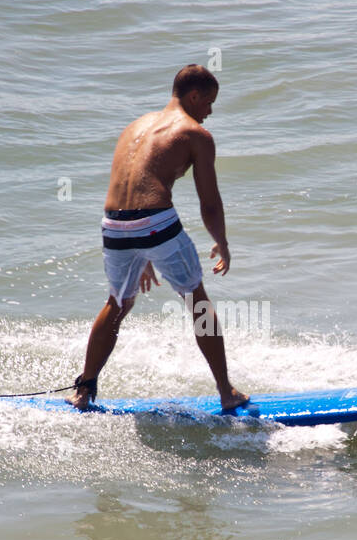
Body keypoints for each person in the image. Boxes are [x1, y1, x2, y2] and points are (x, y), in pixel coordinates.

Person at [69, 64, 249, 412]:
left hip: (114, 226)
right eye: (209, 102)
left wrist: (142, 253)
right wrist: (222, 242)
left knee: (117, 303)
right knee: (197, 300)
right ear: (193, 96)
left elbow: (135, 187)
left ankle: (84, 390)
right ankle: (227, 392)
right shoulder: (195, 134)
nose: (210, 112)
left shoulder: (134, 127)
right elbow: (209, 203)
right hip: (154, 223)